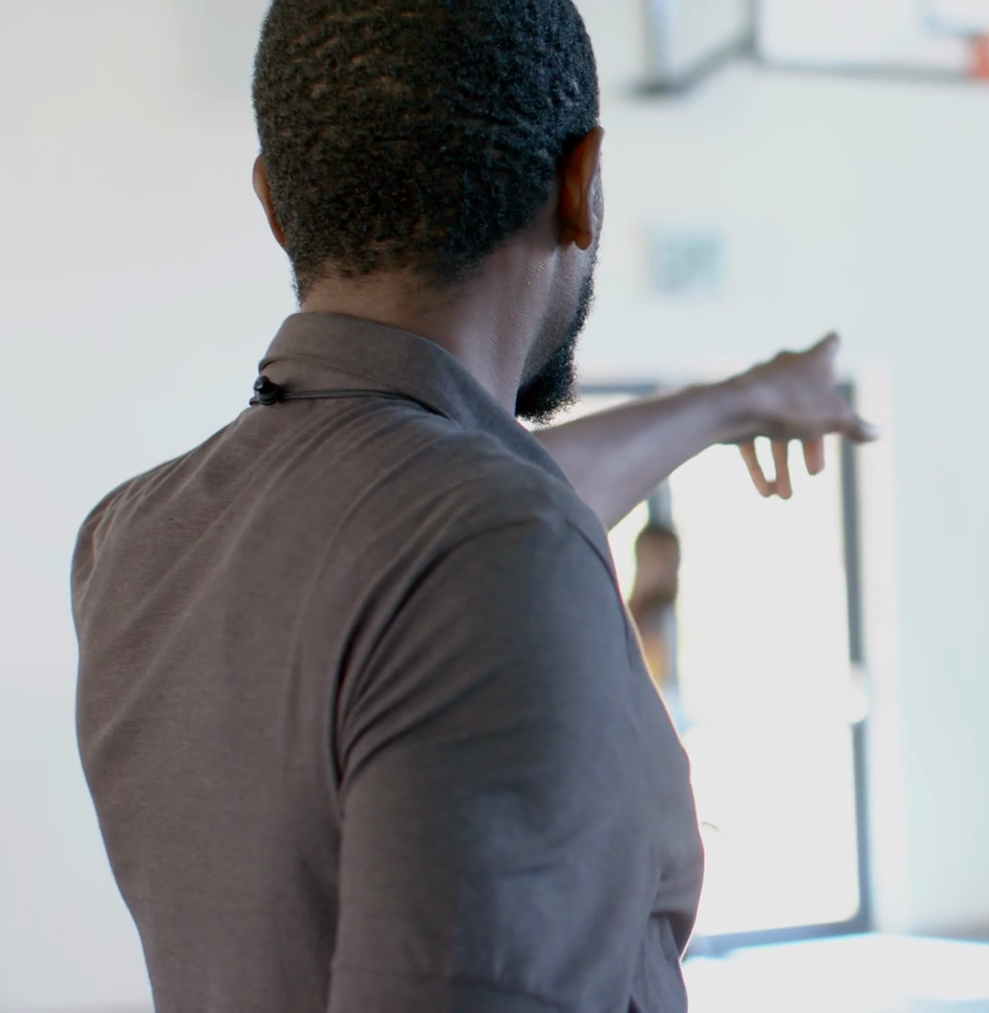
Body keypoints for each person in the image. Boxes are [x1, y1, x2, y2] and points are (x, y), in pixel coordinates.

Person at [70, 2, 874, 1011]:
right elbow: (481, 532)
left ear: (275, 204)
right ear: (584, 187)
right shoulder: (487, 545)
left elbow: (463, 508)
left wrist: (739, 400)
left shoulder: (132, 535)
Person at [629, 522, 682, 697]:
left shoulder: (663, 629)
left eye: (675, 564)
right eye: (664, 564)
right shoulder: (623, 634)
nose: (672, 576)